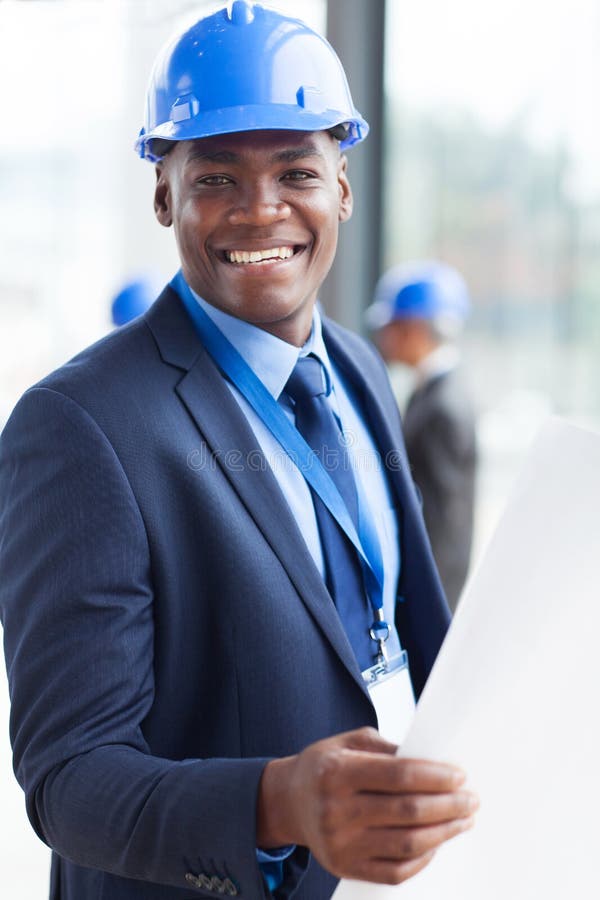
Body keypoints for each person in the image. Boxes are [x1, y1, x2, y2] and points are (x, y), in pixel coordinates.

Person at [0, 5, 477, 899]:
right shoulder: (78, 426)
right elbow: (71, 780)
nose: (262, 210)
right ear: (163, 195)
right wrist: (280, 801)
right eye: (216, 177)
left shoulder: (359, 369)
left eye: (297, 171)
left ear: (342, 187)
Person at [366, 260, 477, 611]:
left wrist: (429, 608)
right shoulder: (430, 393)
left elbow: (445, 525)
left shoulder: (443, 407)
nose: (384, 338)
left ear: (414, 329)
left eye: (391, 327)